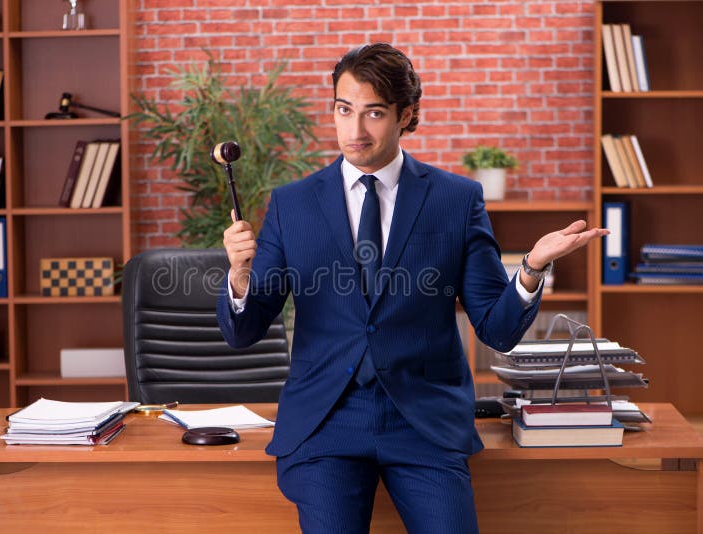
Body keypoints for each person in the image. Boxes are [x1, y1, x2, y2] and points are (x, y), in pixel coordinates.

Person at [216, 43, 607, 534]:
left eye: (374, 113)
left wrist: (531, 267)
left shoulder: (456, 199)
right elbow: (243, 331)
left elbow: (497, 328)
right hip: (326, 422)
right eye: (343, 110)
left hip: (422, 421)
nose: (355, 131)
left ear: (408, 115)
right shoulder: (293, 205)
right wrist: (239, 276)